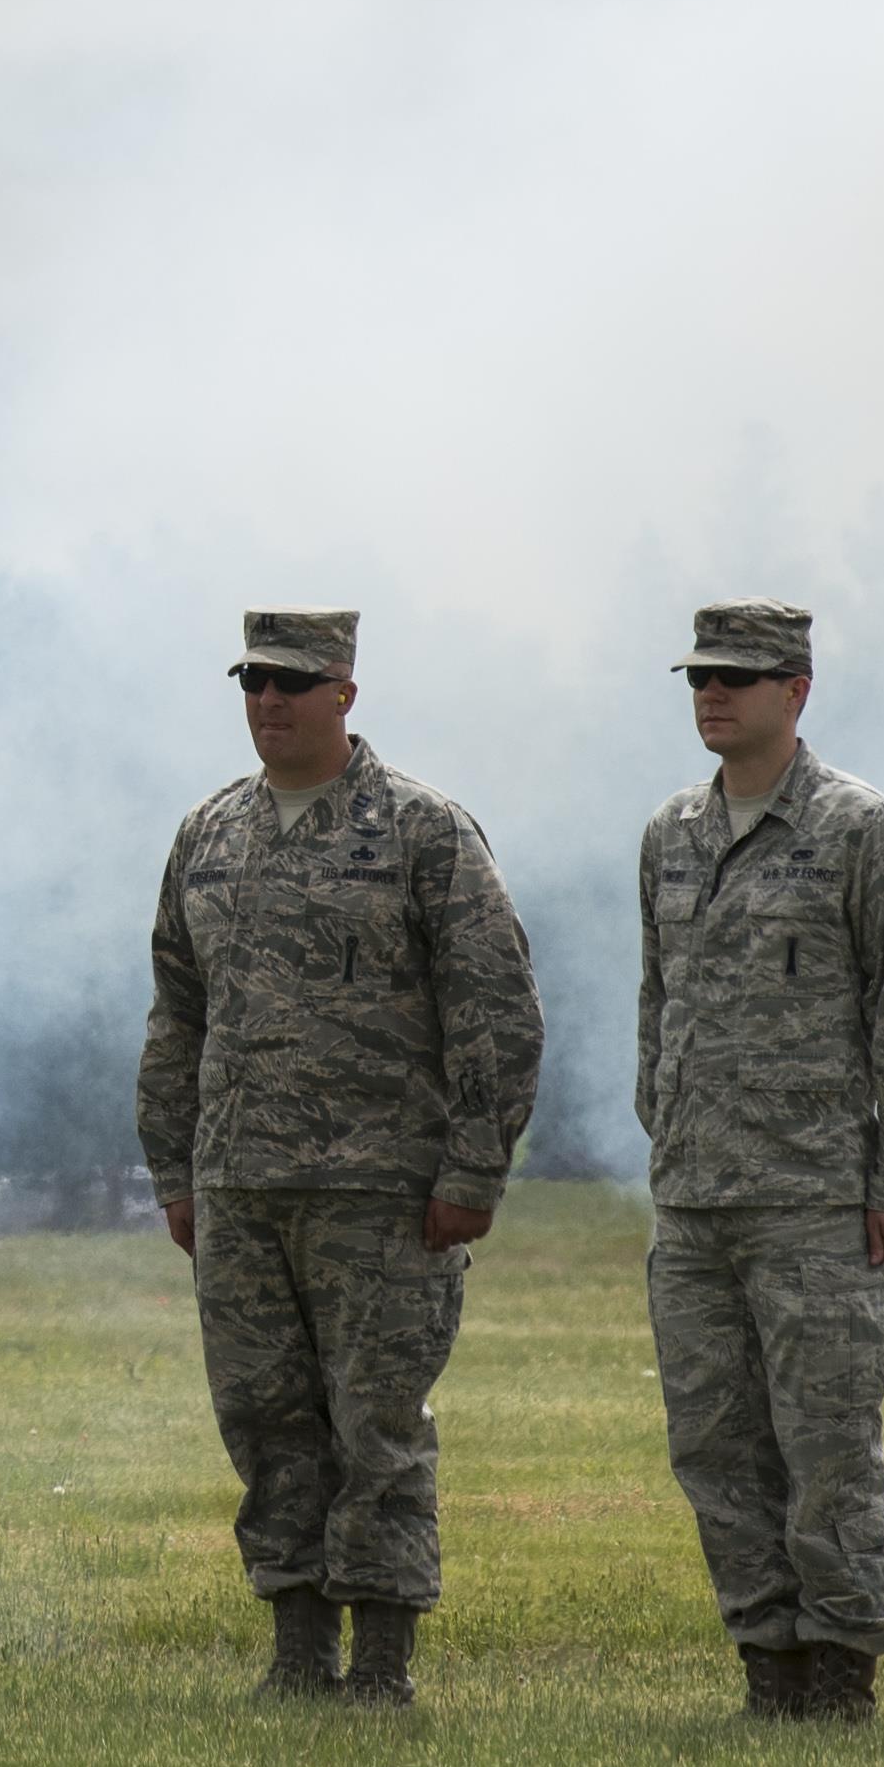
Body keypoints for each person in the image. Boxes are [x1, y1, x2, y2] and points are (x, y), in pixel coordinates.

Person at [136, 607, 544, 1708]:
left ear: (344, 694)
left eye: (292, 682)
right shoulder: (209, 833)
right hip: (240, 1184)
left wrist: (473, 1168)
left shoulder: (421, 829)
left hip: (380, 1189)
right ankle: (297, 1649)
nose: (269, 700)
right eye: (253, 681)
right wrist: (174, 1168)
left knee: (376, 1424)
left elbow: (494, 1007)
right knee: (266, 1420)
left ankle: (381, 1662)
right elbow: (177, 1014)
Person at [635, 600, 884, 1726]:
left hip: (815, 1199)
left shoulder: (861, 830)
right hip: (696, 1202)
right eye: (698, 676)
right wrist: (663, 1133)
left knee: (825, 1447)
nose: (711, 693)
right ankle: (766, 1665)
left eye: (735, 675)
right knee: (713, 1448)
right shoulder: (671, 833)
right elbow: (657, 1003)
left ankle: (841, 1668)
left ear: (796, 690)